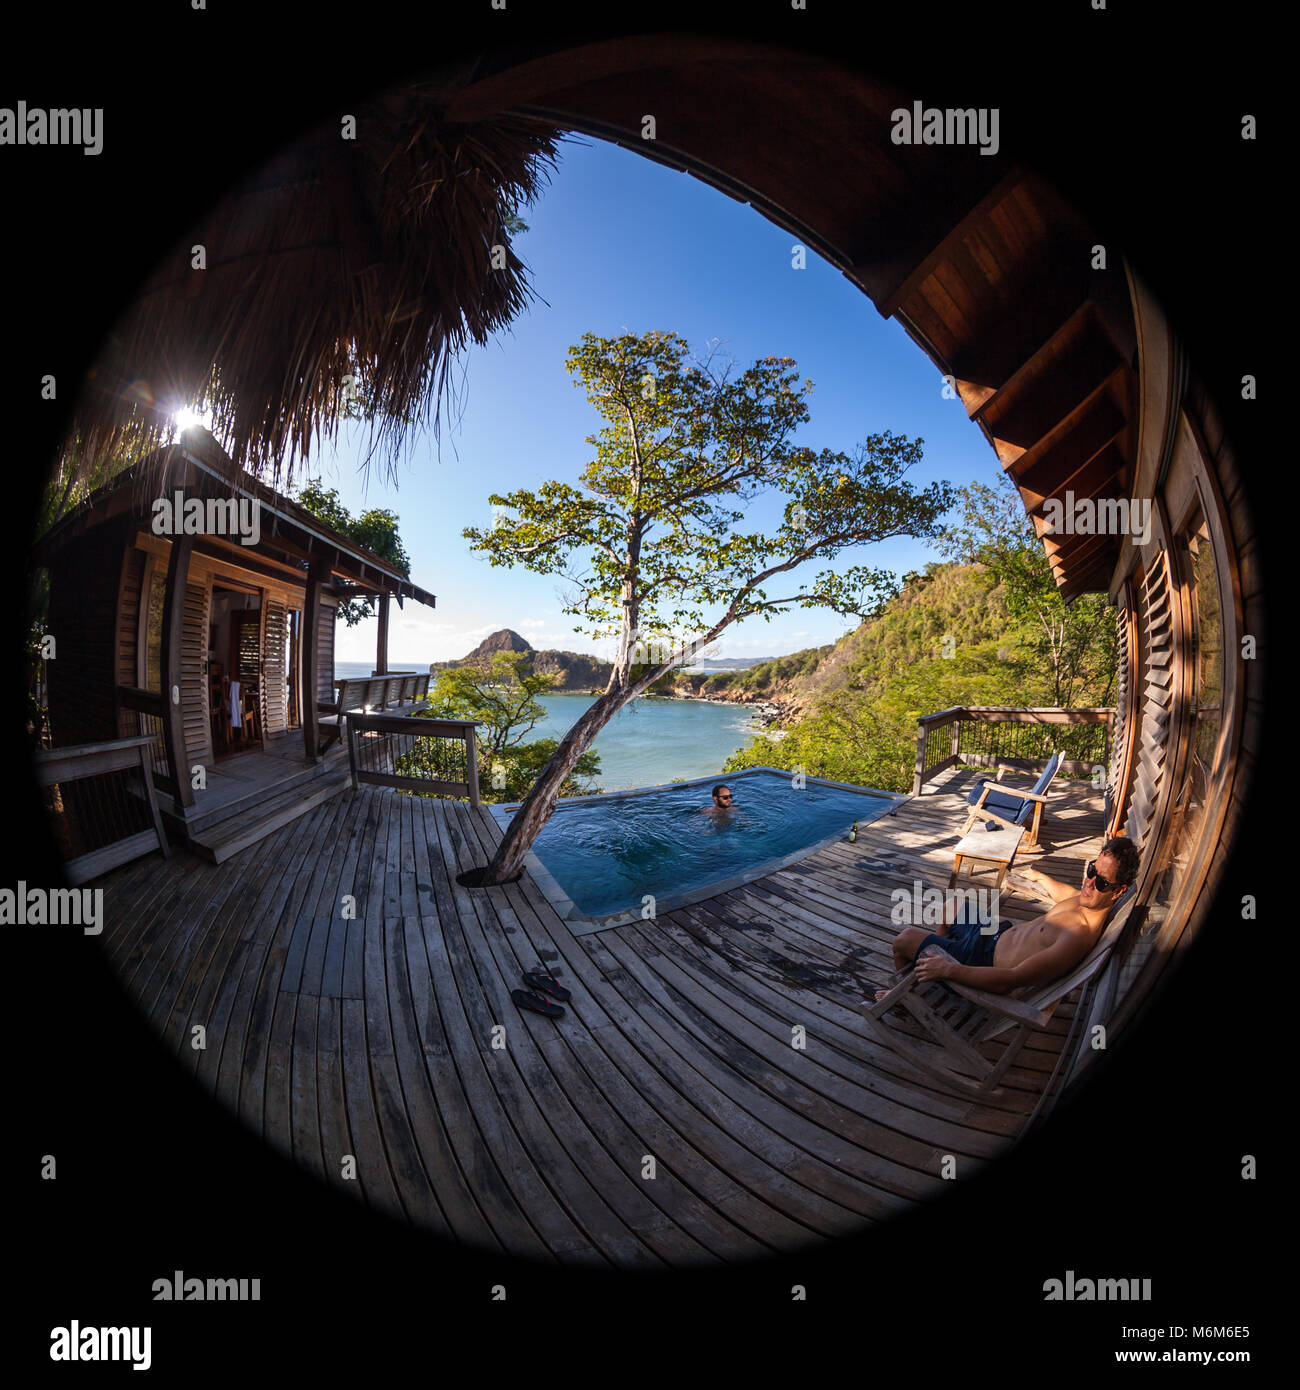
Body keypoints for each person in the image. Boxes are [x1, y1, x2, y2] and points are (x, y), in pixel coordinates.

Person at [874, 836, 1139, 1001]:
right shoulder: (1087, 899)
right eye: (1092, 870)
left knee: (904, 940)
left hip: (984, 962)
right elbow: (1065, 894)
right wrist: (1043, 878)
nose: (1089, 883)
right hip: (996, 933)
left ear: (1119, 891)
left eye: (1101, 881)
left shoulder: (1077, 937)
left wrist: (949, 968)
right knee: (952, 905)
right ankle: (927, 975)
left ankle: (904, 996)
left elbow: (1011, 979)